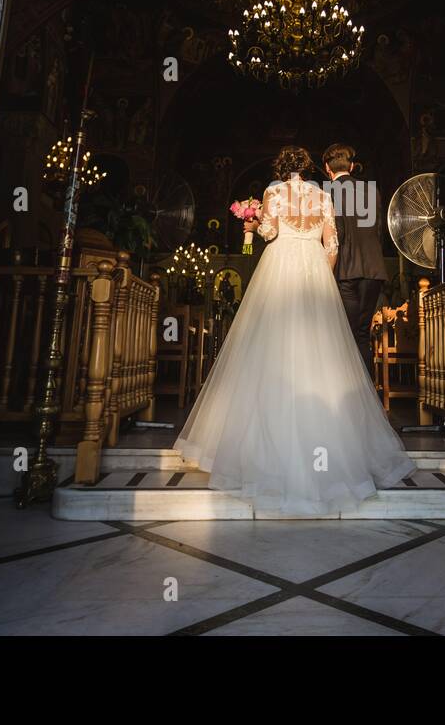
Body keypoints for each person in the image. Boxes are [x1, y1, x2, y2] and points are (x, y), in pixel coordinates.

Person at [174, 145, 415, 515]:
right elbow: (331, 244)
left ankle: (252, 454)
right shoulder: (322, 196)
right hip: (314, 268)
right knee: (322, 350)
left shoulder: (273, 193)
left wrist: (254, 225)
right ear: (310, 169)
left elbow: (270, 232)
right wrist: (322, 273)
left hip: (280, 267)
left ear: (282, 169)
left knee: (266, 343)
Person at [321, 142, 387, 360]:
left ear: (328, 170)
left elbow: (335, 234)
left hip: (346, 270)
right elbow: (378, 231)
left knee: (346, 336)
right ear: (350, 167)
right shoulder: (372, 191)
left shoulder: (328, 192)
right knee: (361, 335)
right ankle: (365, 392)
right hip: (373, 269)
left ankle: (350, 392)